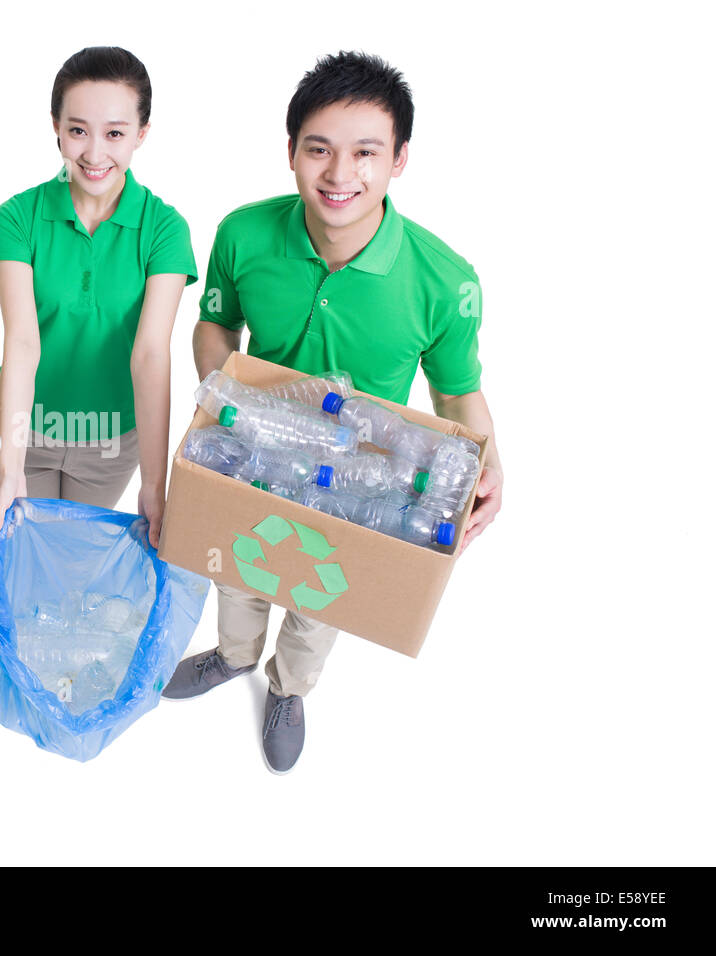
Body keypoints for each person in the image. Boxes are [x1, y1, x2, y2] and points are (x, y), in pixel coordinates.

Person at [162, 51, 504, 774]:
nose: (339, 174)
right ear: (290, 152)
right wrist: (224, 402)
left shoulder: (444, 281)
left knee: (320, 598)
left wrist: (492, 459)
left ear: (399, 159)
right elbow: (214, 327)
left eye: (365, 153)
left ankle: (289, 688)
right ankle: (232, 656)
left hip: (364, 481)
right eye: (319, 149)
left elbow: (456, 396)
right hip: (254, 452)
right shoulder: (245, 235)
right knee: (237, 569)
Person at [0, 46, 197, 546]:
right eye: (78, 130)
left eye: (115, 134)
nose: (95, 154)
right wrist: (10, 466)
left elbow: (149, 355)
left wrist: (154, 482)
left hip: (109, 439)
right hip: (23, 429)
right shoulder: (17, 217)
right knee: (22, 558)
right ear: (55, 126)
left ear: (142, 134)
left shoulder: (164, 229)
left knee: (72, 559)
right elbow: (23, 343)